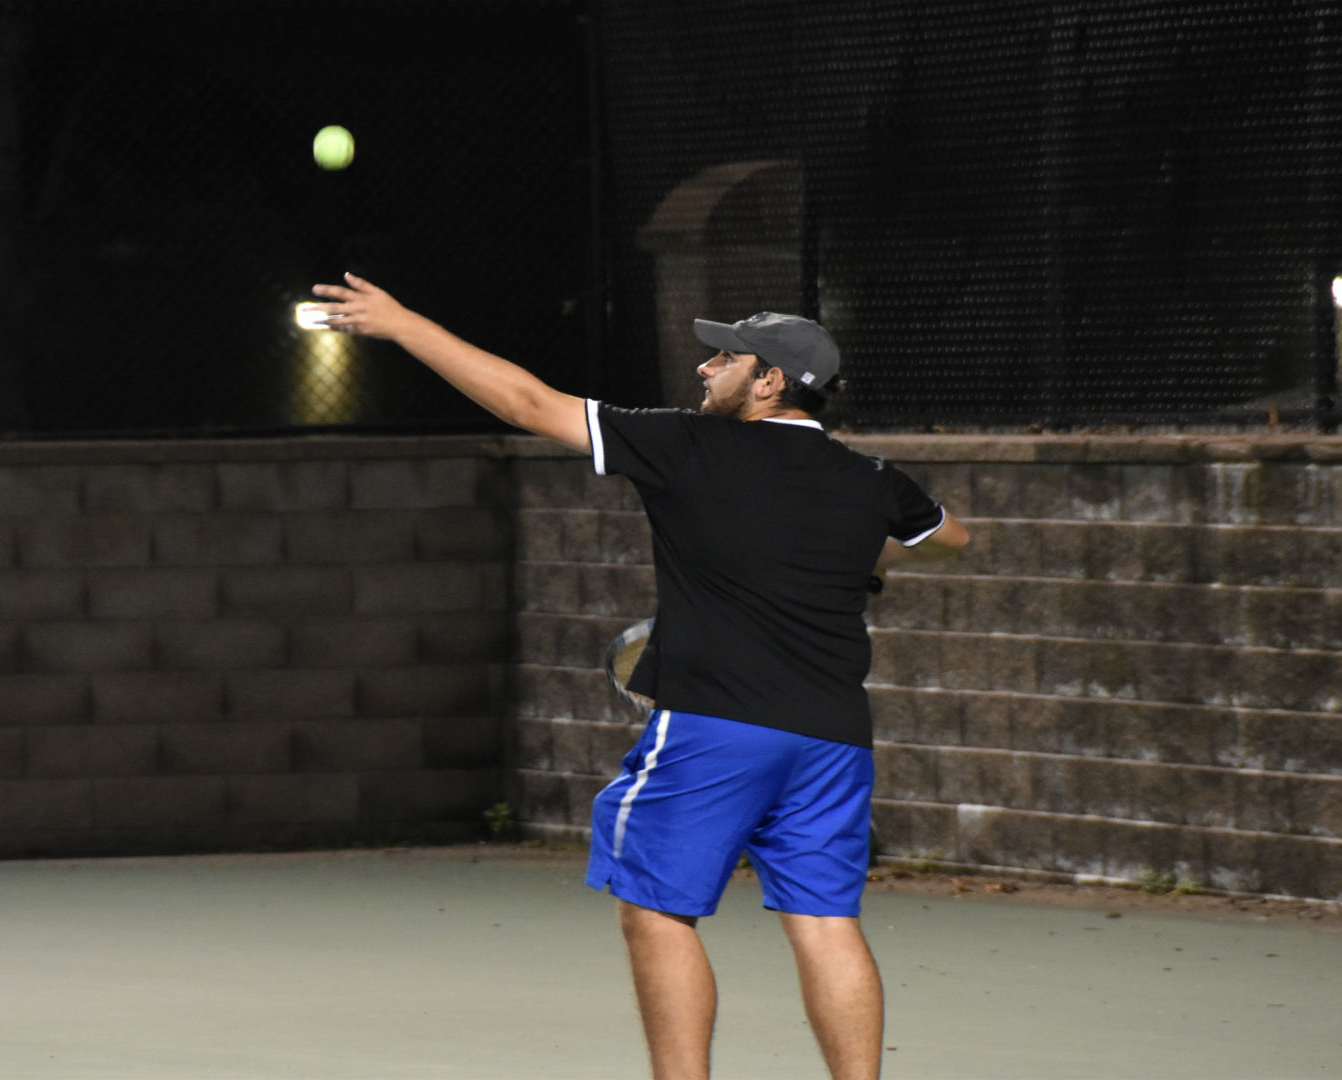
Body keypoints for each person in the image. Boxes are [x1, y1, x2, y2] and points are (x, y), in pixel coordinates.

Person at [310, 272, 969, 1080]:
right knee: (826, 922)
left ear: (769, 382)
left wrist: (404, 324)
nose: (703, 367)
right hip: (833, 741)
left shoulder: (685, 443)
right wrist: (868, 559)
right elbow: (952, 539)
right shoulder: (870, 478)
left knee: (657, 914)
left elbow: (526, 402)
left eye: (725, 358)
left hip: (716, 728)